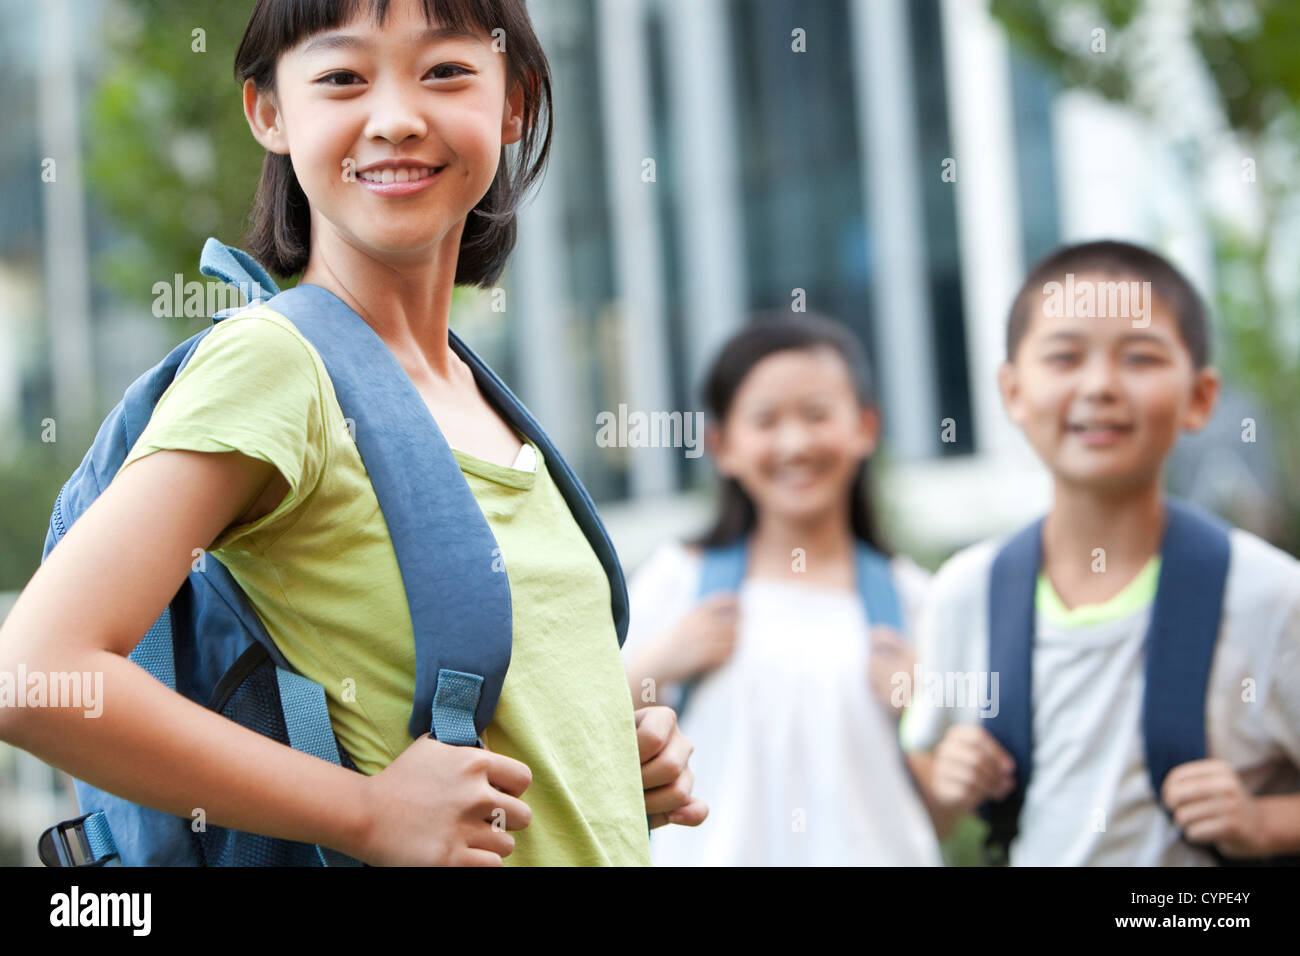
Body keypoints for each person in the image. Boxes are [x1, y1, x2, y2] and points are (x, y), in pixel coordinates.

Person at [0, 0, 705, 867]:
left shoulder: (475, 394)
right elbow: (31, 677)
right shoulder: (277, 365)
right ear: (269, 113)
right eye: (342, 78)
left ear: (513, 102)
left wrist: (601, 757)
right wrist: (367, 815)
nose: (398, 118)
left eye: (446, 71)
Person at [903, 240, 1300, 865]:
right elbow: (924, 779)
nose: (1100, 386)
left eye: (1140, 357)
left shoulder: (1270, 596)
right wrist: (948, 776)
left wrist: (1263, 822)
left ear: (1199, 396)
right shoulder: (967, 591)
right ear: (1012, 391)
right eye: (1064, 356)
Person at [622, 314, 943, 865]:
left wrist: (920, 710)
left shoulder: (915, 600)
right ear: (722, 446)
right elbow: (583, 740)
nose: (795, 443)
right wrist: (659, 662)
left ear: (866, 427)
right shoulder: (676, 583)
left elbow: (948, 810)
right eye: (765, 420)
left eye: (817, 415)